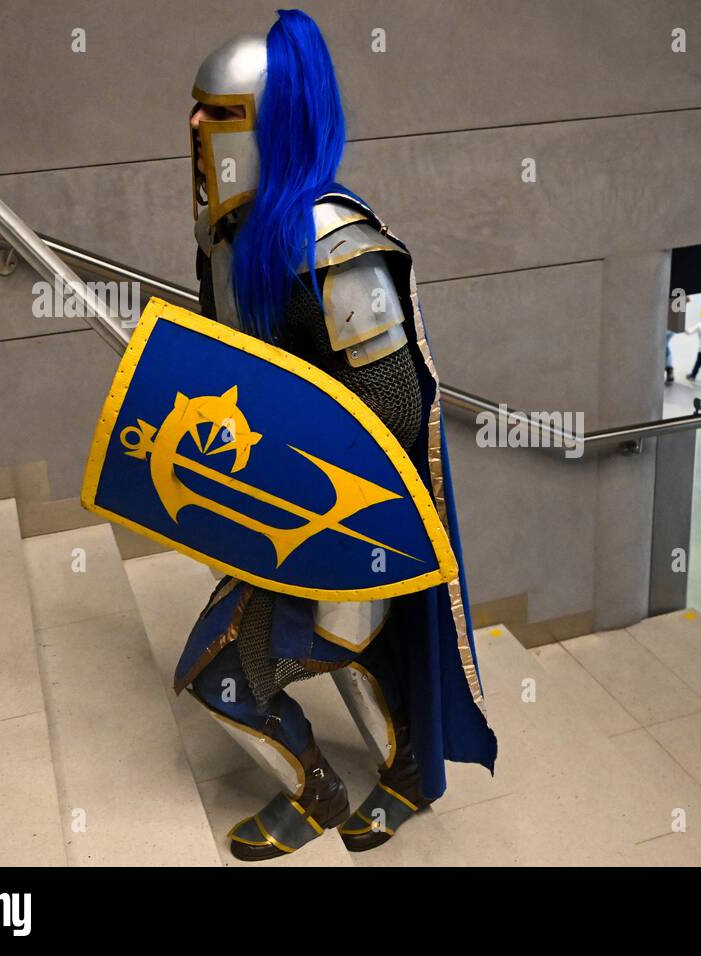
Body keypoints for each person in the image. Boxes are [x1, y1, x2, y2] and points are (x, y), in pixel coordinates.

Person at [177, 10, 496, 861]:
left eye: (222, 111)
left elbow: (394, 412)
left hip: (347, 525)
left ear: (273, 124)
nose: (197, 123)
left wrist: (290, 476)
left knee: (223, 672)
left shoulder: (336, 249)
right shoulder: (230, 240)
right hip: (273, 513)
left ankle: (320, 794)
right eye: (196, 105)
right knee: (355, 655)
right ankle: (408, 772)